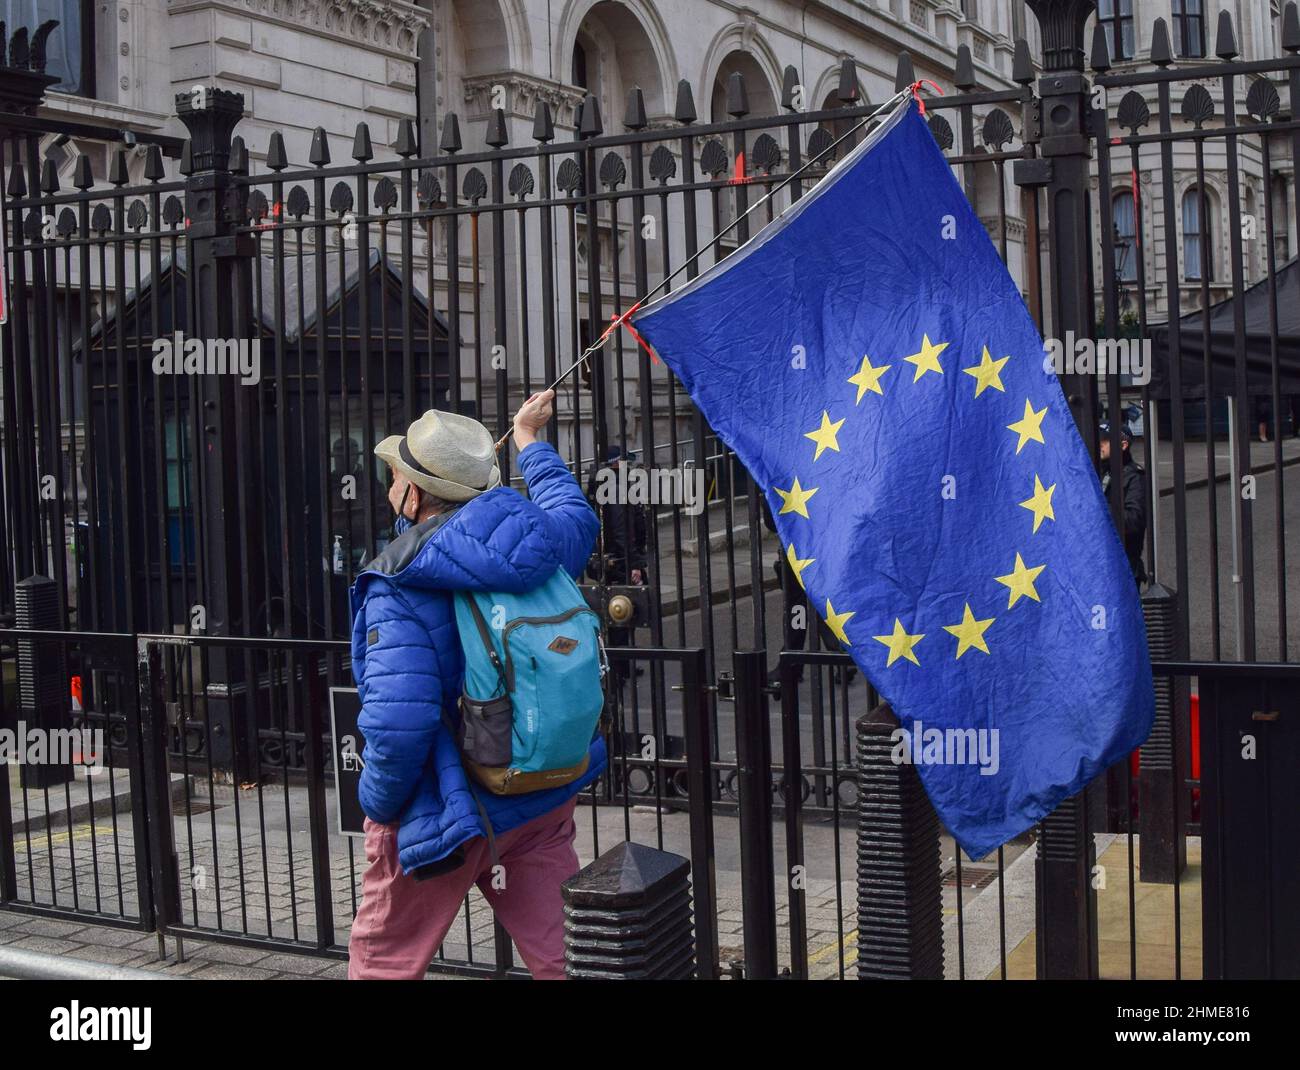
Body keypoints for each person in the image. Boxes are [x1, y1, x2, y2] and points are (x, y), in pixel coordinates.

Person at [346, 389, 606, 980]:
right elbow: (575, 514)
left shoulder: (397, 583)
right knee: (564, 955)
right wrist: (530, 440)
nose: (390, 484)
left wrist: (382, 810)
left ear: (414, 493)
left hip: (449, 812)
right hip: (539, 793)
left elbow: (398, 723)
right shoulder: (538, 542)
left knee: (384, 962)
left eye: (394, 474)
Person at [586, 446, 648, 687]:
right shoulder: (615, 487)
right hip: (620, 560)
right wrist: (634, 564)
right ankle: (619, 669)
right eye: (624, 462)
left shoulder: (601, 483)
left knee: (615, 613)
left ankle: (619, 665)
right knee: (622, 613)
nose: (628, 466)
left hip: (608, 558)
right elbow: (623, 531)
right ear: (616, 463)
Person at [1098, 420, 1148, 587]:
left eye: (1104, 440)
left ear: (1123, 445)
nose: (1099, 444)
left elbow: (1134, 520)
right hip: (1097, 565)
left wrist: (1098, 510)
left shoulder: (1135, 477)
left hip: (1123, 567)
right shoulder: (1100, 471)